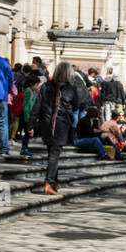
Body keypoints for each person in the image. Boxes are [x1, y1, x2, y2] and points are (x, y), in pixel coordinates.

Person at [35, 61, 80, 194]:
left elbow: (37, 105)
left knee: (53, 152)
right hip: (61, 124)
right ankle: (48, 182)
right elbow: (76, 105)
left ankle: (54, 181)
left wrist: (31, 123)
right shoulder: (71, 88)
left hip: (47, 123)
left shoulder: (46, 86)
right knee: (54, 153)